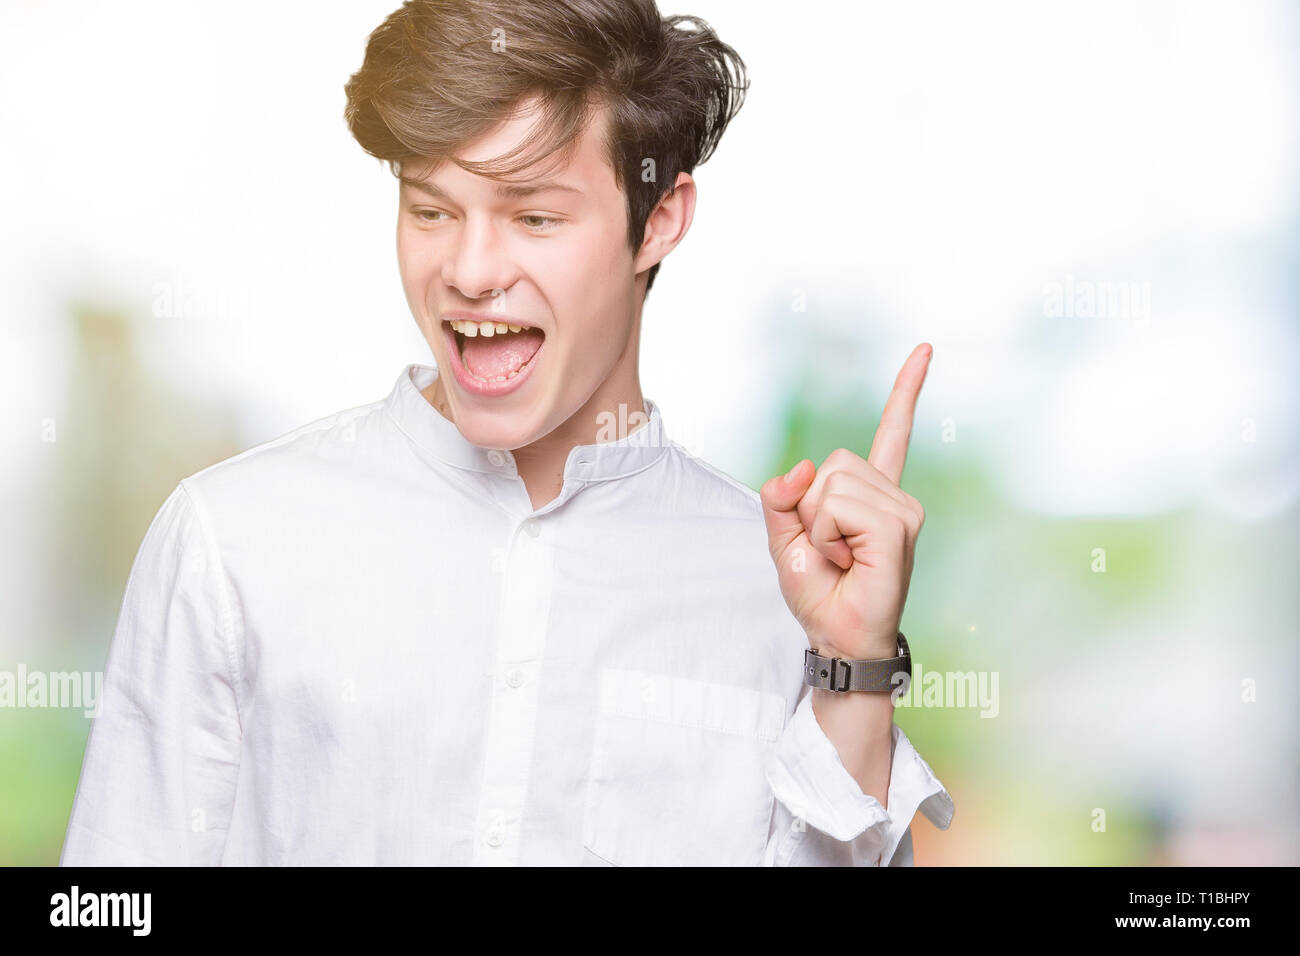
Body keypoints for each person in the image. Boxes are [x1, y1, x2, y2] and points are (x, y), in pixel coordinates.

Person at [60, 0, 952, 866]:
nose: (470, 272)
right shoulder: (234, 543)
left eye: (534, 216)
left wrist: (853, 668)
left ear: (661, 221)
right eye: (431, 210)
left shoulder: (782, 594)